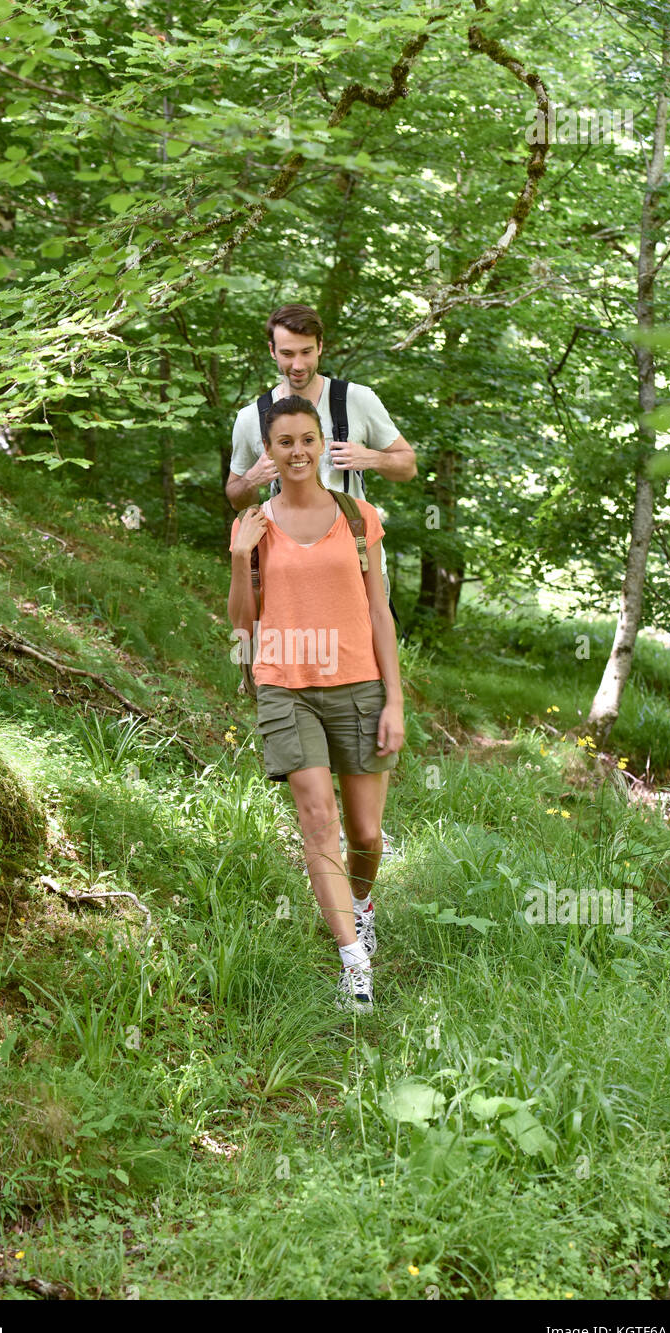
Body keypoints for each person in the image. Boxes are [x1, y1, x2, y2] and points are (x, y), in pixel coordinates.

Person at [228, 395, 406, 1013]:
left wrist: (395, 701)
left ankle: (362, 905)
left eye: (308, 440)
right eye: (285, 443)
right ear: (268, 452)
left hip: (360, 685)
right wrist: (238, 557)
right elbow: (242, 625)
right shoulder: (253, 524)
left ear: (320, 445)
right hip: (285, 685)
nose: (298, 451)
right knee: (318, 821)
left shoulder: (359, 518)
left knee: (365, 833)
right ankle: (353, 963)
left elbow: (380, 613)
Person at [227, 302, 415, 867]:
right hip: (281, 572)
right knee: (316, 810)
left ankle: (359, 873)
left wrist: (371, 458)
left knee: (364, 823)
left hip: (353, 567)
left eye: (306, 352)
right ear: (272, 352)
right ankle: (339, 911)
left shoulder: (355, 401)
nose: (297, 363)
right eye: (287, 353)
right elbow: (234, 492)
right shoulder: (252, 416)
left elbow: (406, 464)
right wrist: (254, 480)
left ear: (320, 349)